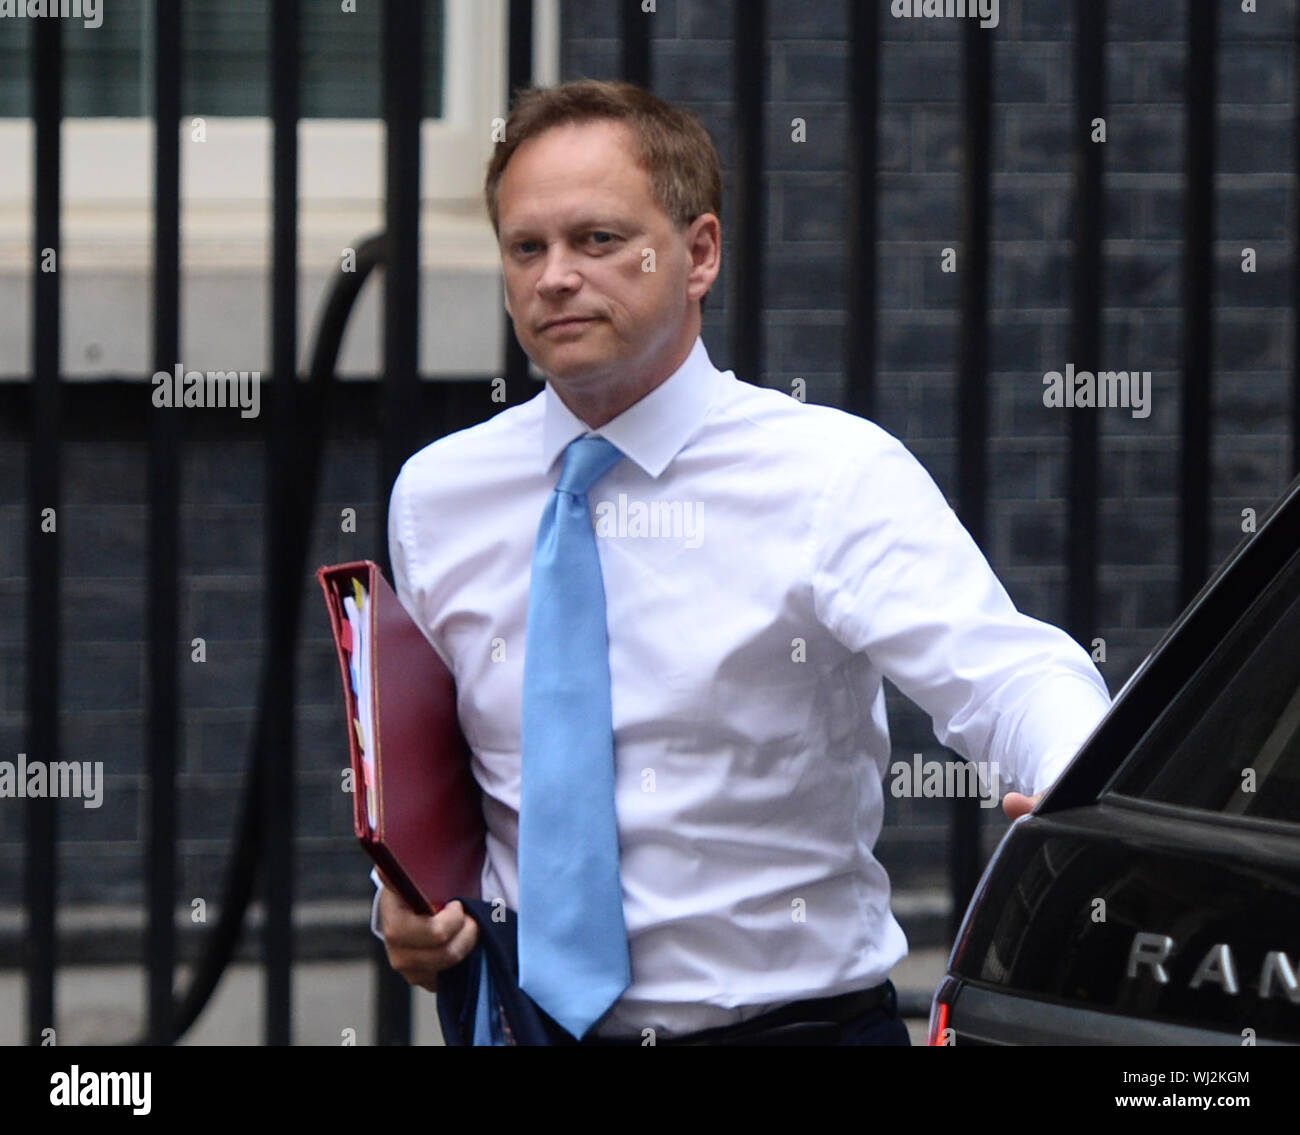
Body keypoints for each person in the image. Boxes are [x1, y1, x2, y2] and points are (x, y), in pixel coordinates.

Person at [368, 79, 1111, 1045]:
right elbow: (441, 779)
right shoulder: (438, 497)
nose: (555, 276)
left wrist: (1068, 776)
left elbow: (1010, 672)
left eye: (597, 240)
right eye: (526, 247)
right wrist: (403, 908)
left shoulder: (830, 476)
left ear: (699, 253)